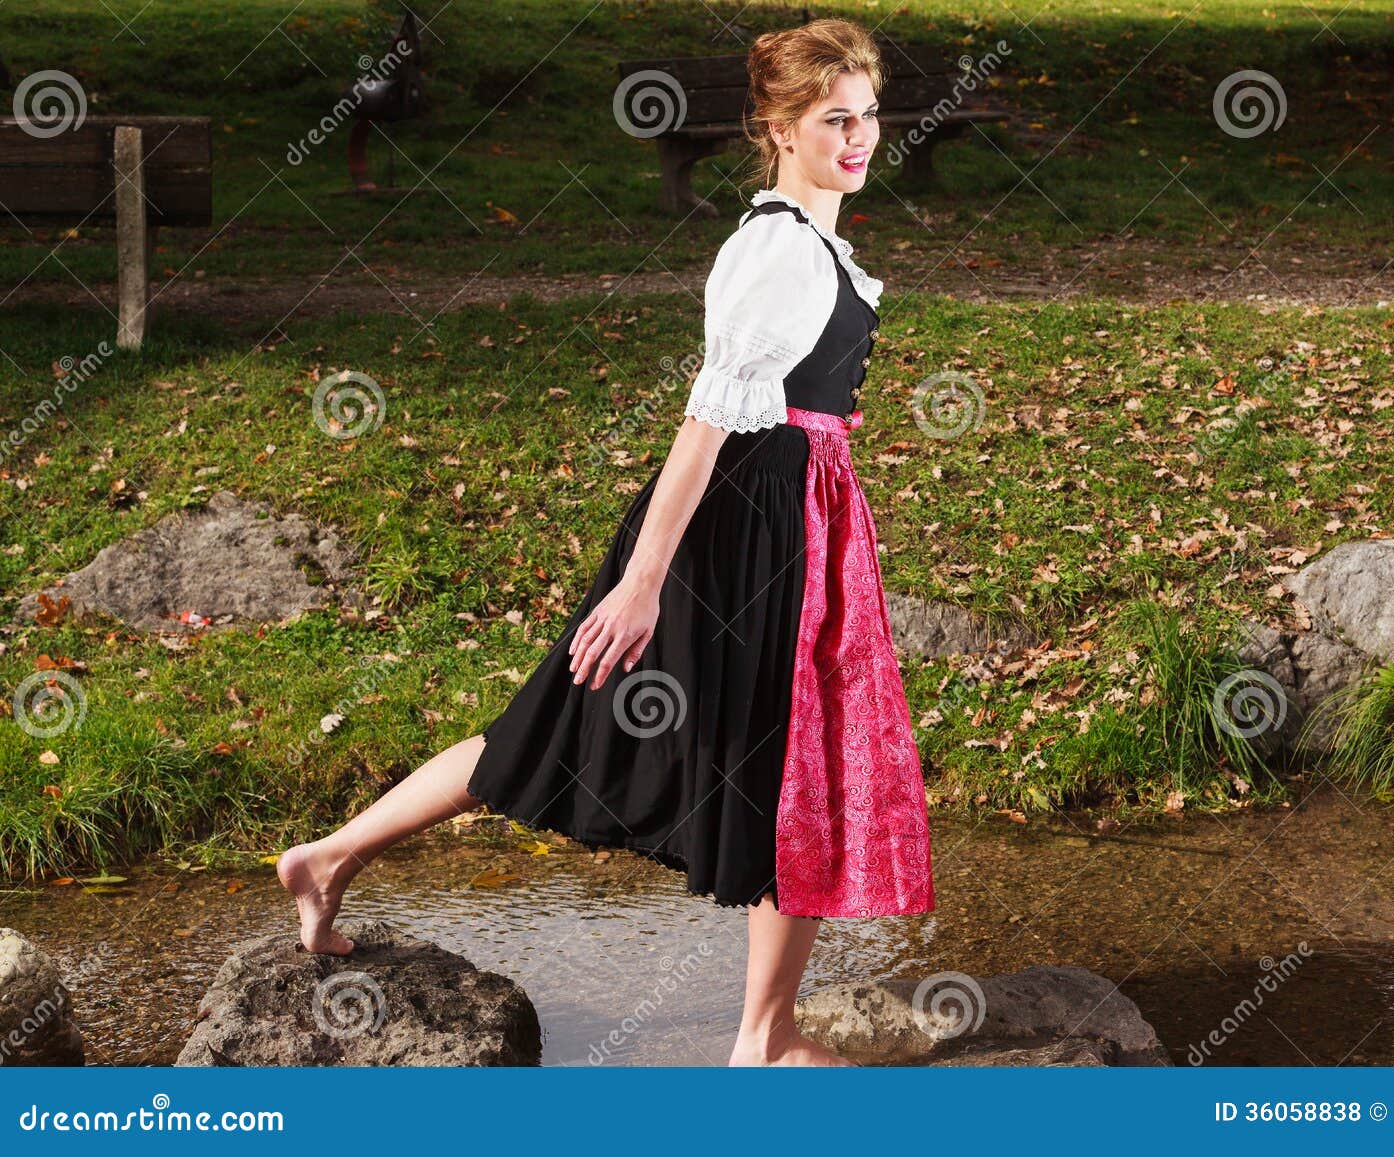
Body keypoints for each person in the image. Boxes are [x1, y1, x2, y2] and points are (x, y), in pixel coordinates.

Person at [276, 17, 934, 1067]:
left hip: (785, 521)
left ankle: (329, 855)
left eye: (866, 117)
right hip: (733, 533)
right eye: (833, 120)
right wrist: (639, 583)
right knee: (698, 751)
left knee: (701, 748)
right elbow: (704, 424)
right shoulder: (774, 249)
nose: (858, 139)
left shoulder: (812, 242)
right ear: (779, 127)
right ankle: (764, 1042)